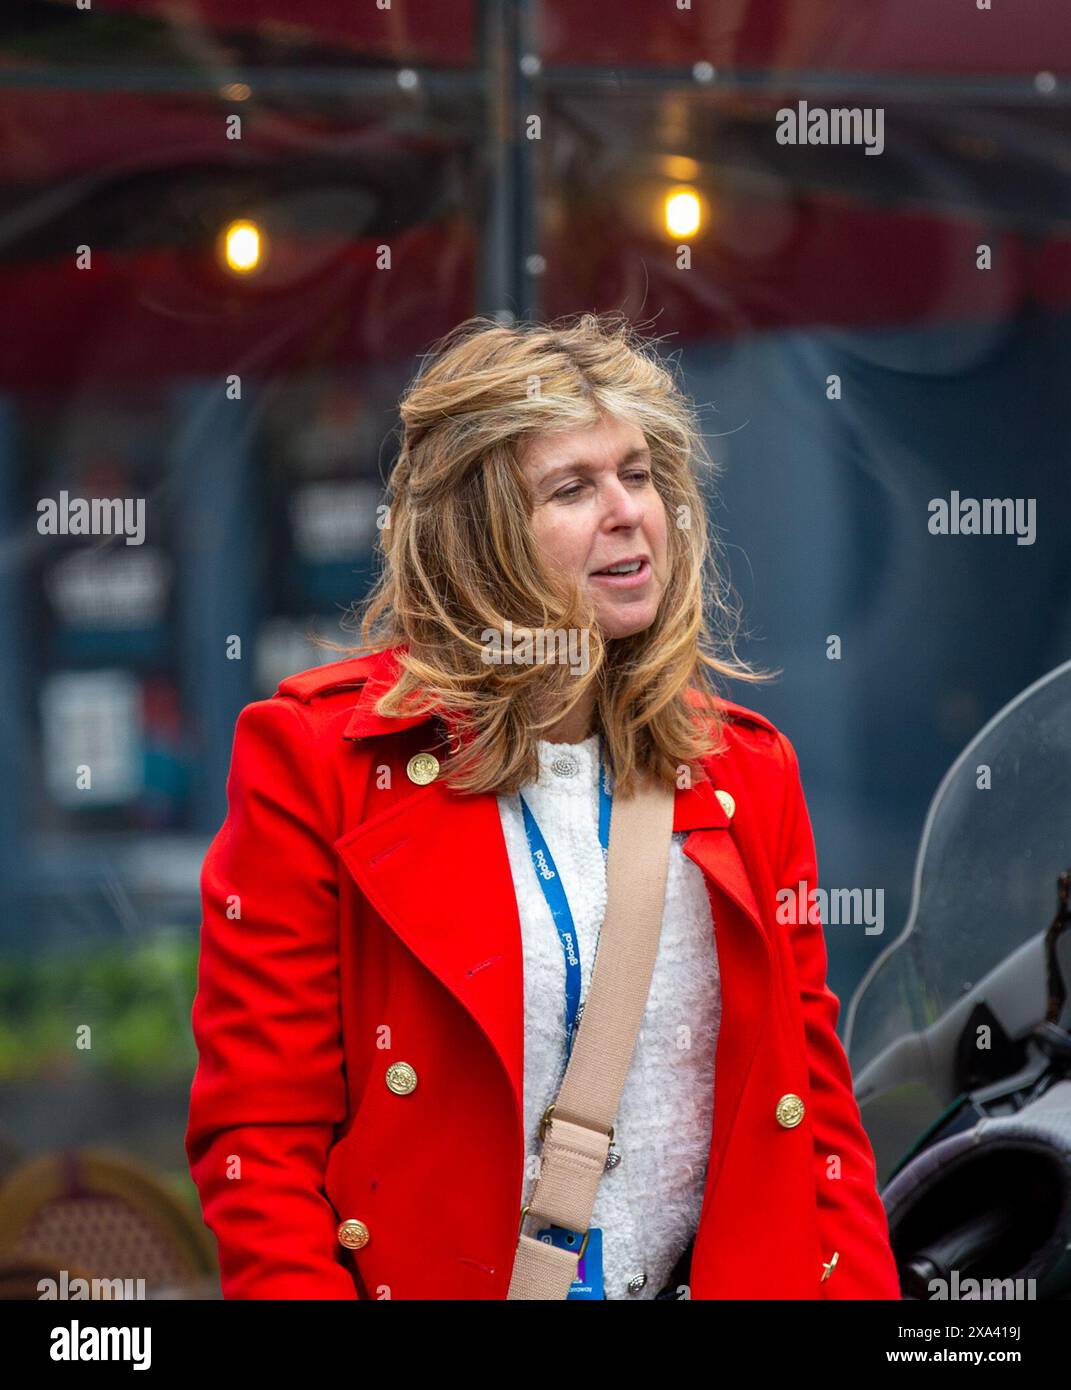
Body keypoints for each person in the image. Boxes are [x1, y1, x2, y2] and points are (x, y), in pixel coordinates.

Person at [185, 311, 902, 1300]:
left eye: (639, 475)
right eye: (573, 487)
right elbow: (258, 1146)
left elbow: (816, 1122)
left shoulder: (745, 769)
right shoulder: (319, 763)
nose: (628, 512)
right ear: (478, 532)